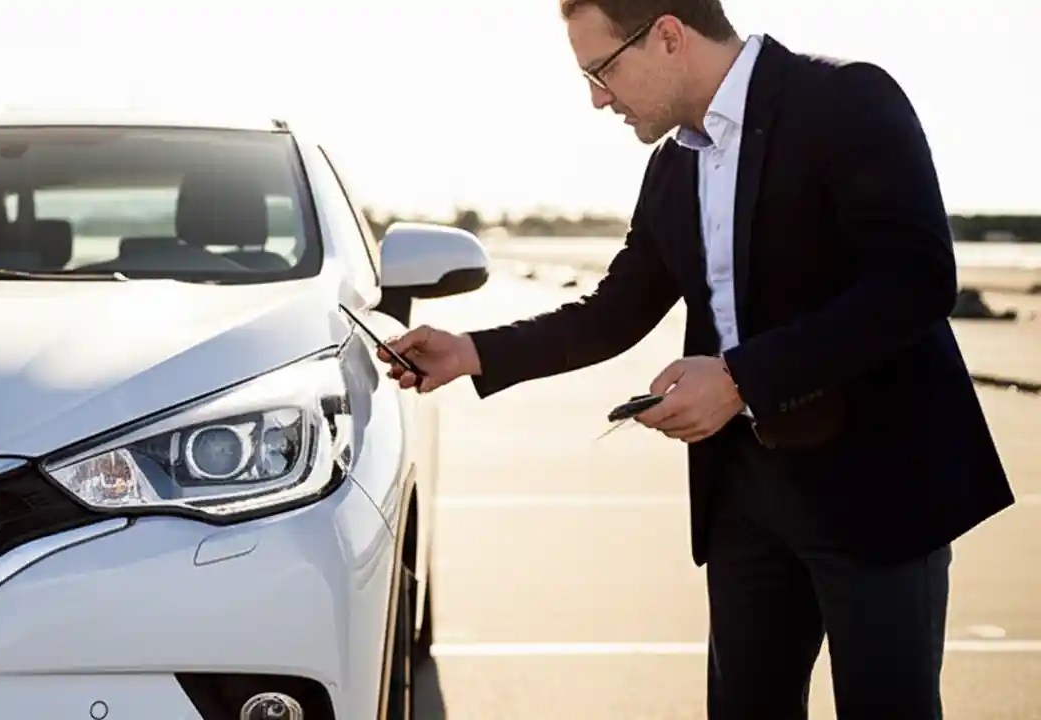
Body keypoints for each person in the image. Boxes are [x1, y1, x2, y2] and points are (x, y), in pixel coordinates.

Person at [377, 1, 1016, 718]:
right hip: (746, 493)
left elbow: (916, 282)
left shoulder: (847, 99)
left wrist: (741, 379)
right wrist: (472, 351)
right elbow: (616, 309)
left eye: (601, 70)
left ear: (670, 36)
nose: (596, 98)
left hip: (879, 486)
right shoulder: (673, 164)